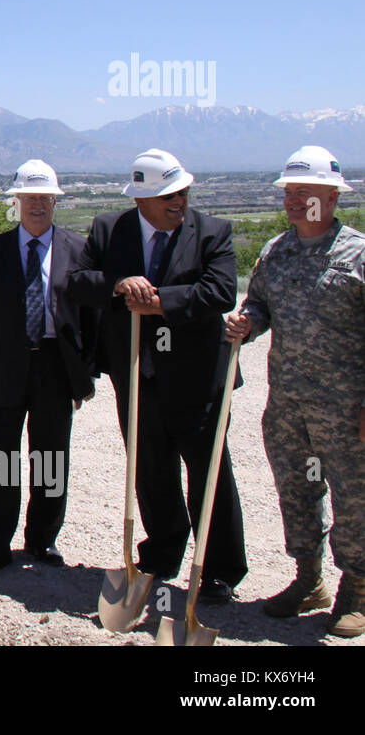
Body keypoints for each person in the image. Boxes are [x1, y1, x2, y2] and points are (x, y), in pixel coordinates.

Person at [68, 148, 247, 603]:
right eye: (168, 195)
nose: (178, 202)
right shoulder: (111, 229)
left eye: (182, 192)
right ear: (140, 201)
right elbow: (76, 282)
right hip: (136, 375)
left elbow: (221, 290)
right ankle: (162, 553)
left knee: (208, 474)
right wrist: (117, 283)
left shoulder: (212, 231)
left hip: (198, 377)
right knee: (150, 469)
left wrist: (160, 300)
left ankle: (221, 569)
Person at [225, 145, 365, 637]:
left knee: (354, 496)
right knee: (297, 491)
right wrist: (247, 322)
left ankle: (357, 588)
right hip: (287, 405)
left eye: (304, 191)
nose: (293, 198)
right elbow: (259, 304)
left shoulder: (359, 253)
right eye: (289, 190)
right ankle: (308, 579)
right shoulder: (275, 251)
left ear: (332, 196)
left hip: (346, 408)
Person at [0, 161, 99, 573]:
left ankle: (42, 540)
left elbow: (90, 316)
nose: (38, 204)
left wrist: (84, 372)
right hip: (4, 367)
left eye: (45, 198)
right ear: (16, 202)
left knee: (51, 457)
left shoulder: (78, 248)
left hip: (54, 366)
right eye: (30, 197)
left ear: (55, 201)